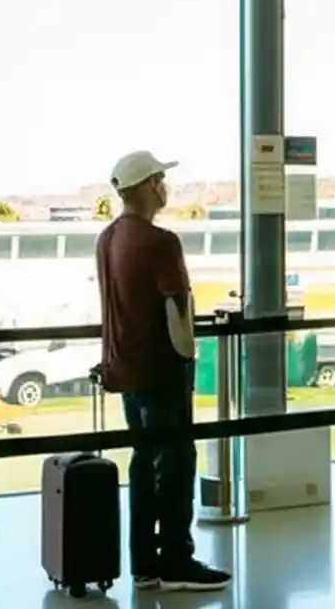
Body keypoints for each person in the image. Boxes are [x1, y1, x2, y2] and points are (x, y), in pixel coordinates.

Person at [96, 150, 231, 591]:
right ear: (151, 185)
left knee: (141, 464)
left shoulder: (108, 238)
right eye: (160, 179)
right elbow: (179, 310)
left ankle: (144, 562)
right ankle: (176, 559)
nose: (164, 186)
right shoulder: (161, 242)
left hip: (126, 371)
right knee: (175, 465)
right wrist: (187, 357)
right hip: (161, 372)